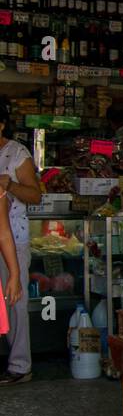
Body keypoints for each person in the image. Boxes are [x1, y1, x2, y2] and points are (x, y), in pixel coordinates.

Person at [0, 97, 37, 384]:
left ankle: (20, 364)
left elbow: (35, 196)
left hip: (13, 237)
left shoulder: (17, 154)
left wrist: (9, 185)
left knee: (15, 300)